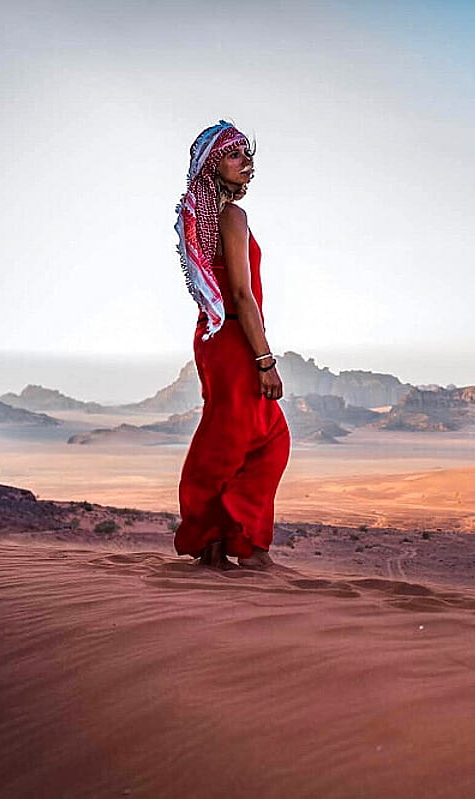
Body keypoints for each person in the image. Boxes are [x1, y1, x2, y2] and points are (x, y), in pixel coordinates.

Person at [172, 120, 290, 570]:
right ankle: (244, 548)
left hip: (214, 337)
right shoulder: (231, 216)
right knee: (263, 439)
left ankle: (218, 544)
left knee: (230, 438)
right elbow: (241, 293)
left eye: (247, 154)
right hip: (236, 338)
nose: (247, 162)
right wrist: (265, 360)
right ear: (211, 165)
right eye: (235, 154)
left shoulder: (209, 217)